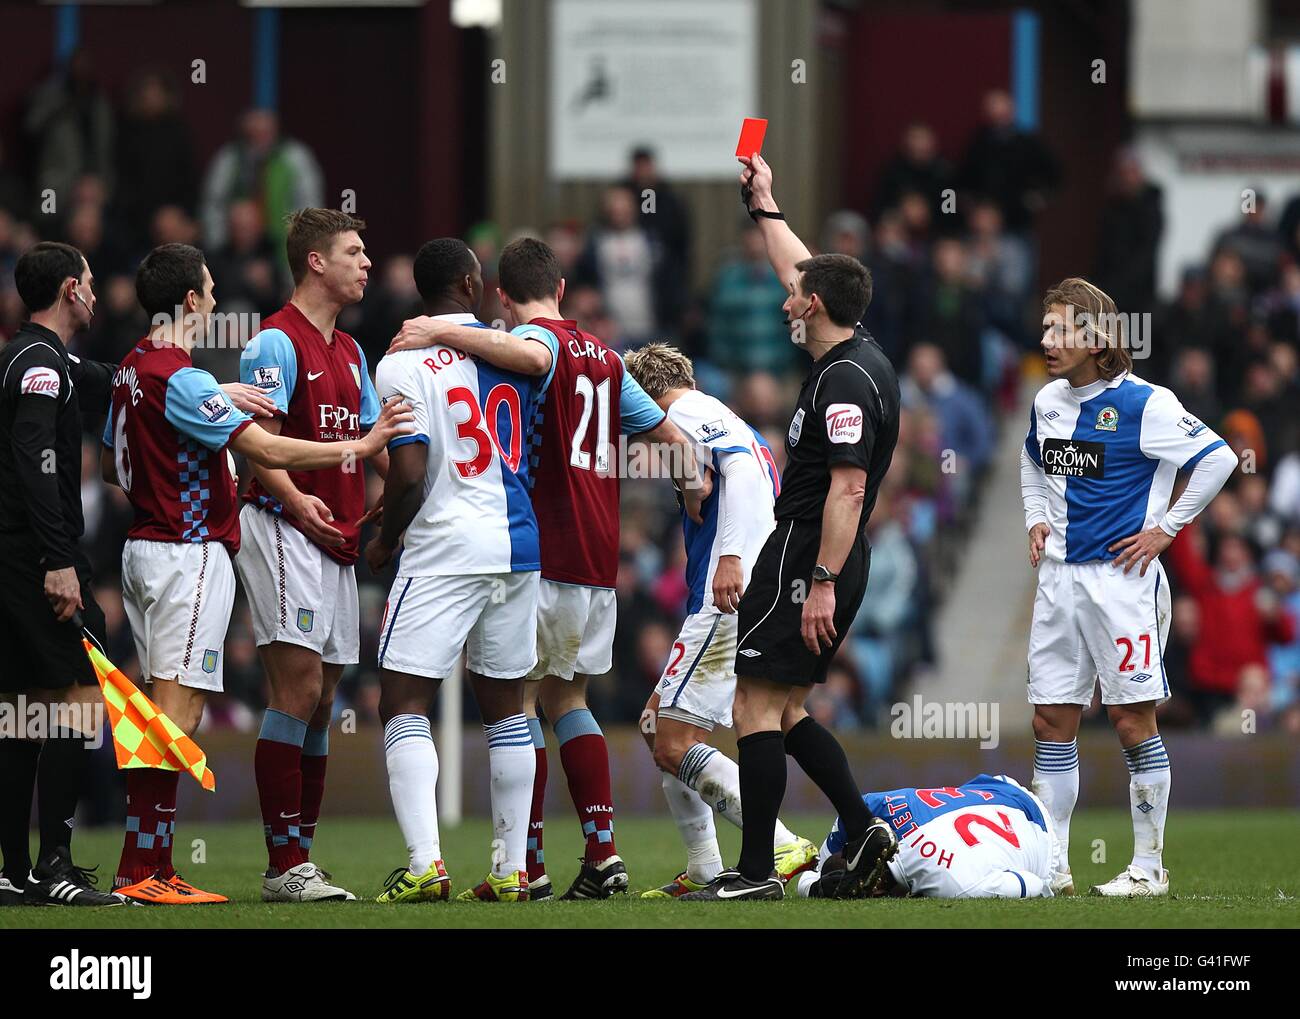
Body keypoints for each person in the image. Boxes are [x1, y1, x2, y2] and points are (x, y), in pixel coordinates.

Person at [388, 237, 703, 899]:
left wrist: (441, 327)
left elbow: (531, 350)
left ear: (503, 295)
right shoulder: (609, 360)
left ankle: (524, 863)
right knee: (569, 699)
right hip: (599, 554)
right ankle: (601, 850)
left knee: (519, 701)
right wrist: (693, 494)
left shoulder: (539, 348)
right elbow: (674, 442)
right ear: (562, 288)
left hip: (542, 546)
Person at [101, 243, 409, 904]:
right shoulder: (178, 375)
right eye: (209, 291)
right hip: (187, 547)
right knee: (176, 712)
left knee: (163, 710)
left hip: (144, 549)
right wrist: (356, 445)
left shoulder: (134, 367)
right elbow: (264, 447)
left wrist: (208, 406)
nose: (215, 302)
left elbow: (109, 464)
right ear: (189, 302)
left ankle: (147, 865)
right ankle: (142, 872)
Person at [679, 153, 903, 902]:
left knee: (751, 704)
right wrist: (766, 204)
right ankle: (863, 824)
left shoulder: (842, 381)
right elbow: (803, 268)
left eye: (795, 296)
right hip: (829, 549)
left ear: (815, 307)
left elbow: (848, 488)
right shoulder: (856, 350)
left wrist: (820, 582)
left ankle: (751, 875)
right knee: (789, 708)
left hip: (812, 545)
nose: (785, 300)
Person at [1023, 277, 1238, 897]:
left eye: (1059, 330)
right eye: (1046, 328)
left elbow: (1219, 457)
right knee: (1050, 721)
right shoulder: (1048, 403)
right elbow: (1032, 461)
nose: (1047, 340)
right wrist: (1036, 516)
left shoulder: (1148, 405)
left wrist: (1167, 528)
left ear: (1095, 337)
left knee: (1130, 721)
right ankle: (1055, 866)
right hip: (1058, 580)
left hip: (1122, 583)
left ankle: (1148, 868)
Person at [366, 238, 550, 904]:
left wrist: (386, 538)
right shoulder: (514, 349)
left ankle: (425, 864)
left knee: (401, 699)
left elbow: (409, 471)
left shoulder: (400, 361)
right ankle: (509, 869)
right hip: (516, 544)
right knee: (507, 708)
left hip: (444, 545)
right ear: (472, 283)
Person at [622, 342, 818, 897]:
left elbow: (743, 472)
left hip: (727, 593)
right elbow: (725, 472)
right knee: (654, 724)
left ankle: (780, 843)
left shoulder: (684, 413)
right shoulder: (712, 413)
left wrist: (730, 556)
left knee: (671, 739)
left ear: (644, 393)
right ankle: (705, 865)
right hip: (741, 588)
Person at [237, 209, 386, 902]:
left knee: (325, 699)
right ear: (316, 262)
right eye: (354, 252)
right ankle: (281, 866)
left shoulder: (353, 353)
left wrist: (396, 503)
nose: (367, 262)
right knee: (295, 689)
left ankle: (301, 856)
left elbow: (368, 444)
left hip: (337, 538)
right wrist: (296, 502)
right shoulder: (273, 341)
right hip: (282, 526)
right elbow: (257, 443)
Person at [0, 242, 122, 907]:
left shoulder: (35, 355)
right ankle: (57, 865)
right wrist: (58, 562)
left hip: (13, 559)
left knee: (20, 711)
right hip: (35, 560)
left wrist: (188, 379)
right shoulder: (41, 368)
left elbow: (103, 375)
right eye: (93, 283)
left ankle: (14, 871)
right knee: (81, 698)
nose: (98, 295)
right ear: (71, 288)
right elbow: (36, 463)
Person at [795, 771, 1057, 900]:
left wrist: (814, 887)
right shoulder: (872, 806)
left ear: (876, 891)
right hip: (998, 786)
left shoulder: (951, 883)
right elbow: (824, 867)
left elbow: (1035, 884)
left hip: (1042, 833)